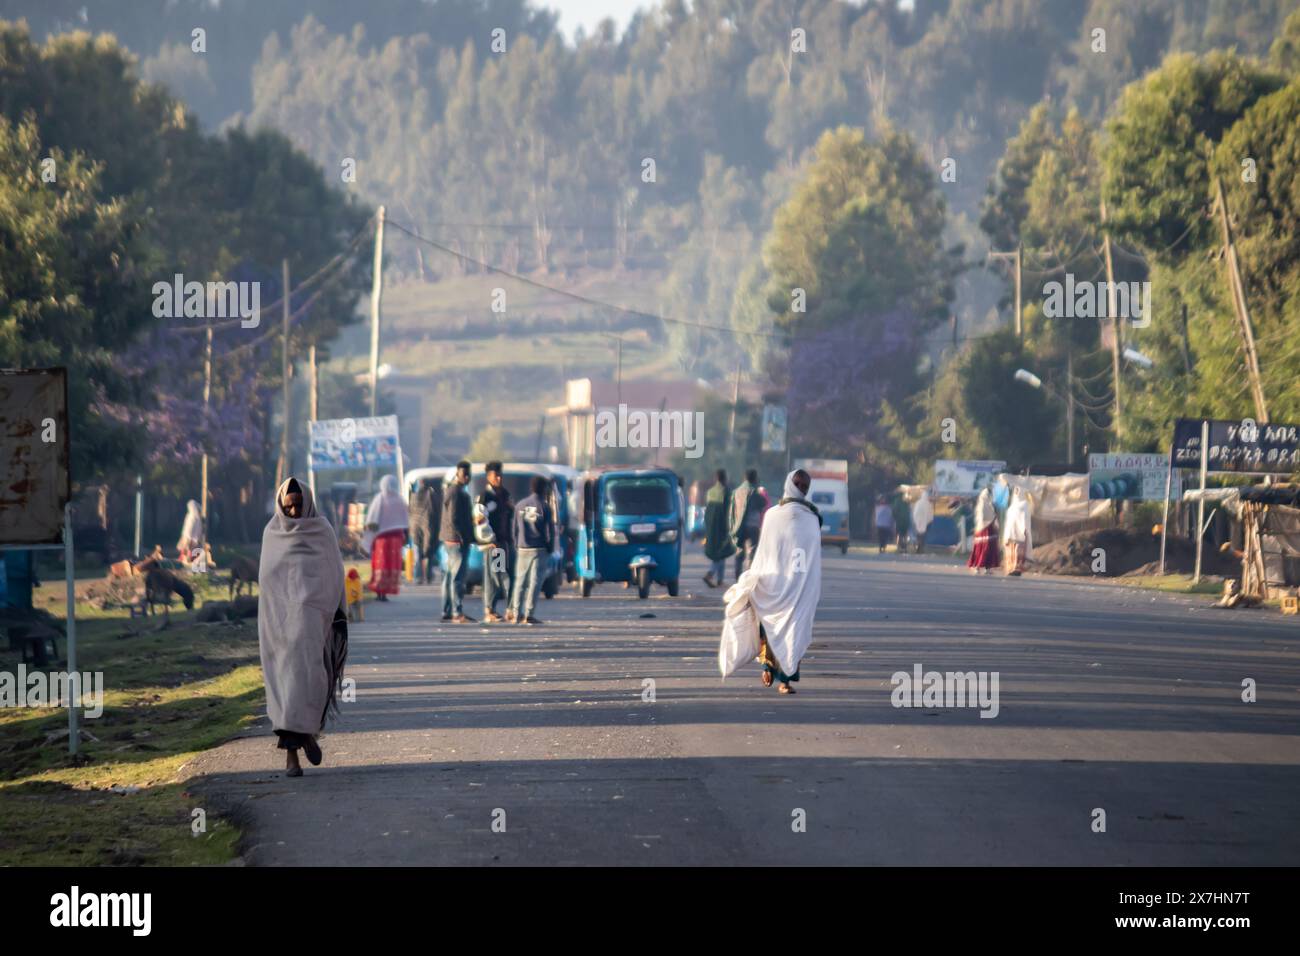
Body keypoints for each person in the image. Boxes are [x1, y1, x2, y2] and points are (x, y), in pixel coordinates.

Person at [258, 477, 348, 778]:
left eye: (298, 506)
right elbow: (268, 581)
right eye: (289, 506)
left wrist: (330, 611)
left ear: (308, 503)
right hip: (280, 625)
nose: (295, 512)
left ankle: (309, 732)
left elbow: (334, 574)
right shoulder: (272, 534)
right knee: (285, 686)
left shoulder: (322, 531)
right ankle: (291, 757)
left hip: (313, 621)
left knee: (311, 681)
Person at [722, 469, 823, 695]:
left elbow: (813, 554)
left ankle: (786, 679)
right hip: (775, 581)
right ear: (790, 482)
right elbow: (766, 550)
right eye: (798, 483)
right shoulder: (773, 515)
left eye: (805, 485)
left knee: (794, 631)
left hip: (799, 585)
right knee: (770, 626)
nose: (801, 487)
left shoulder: (812, 517)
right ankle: (768, 667)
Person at [510, 475, 555, 626]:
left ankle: (516, 613)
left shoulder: (519, 505)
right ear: (543, 489)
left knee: (519, 581)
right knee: (535, 583)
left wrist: (516, 543)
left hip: (522, 547)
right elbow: (549, 530)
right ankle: (528, 614)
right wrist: (550, 546)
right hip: (539, 549)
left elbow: (514, 528)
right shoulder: (545, 506)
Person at [477, 461, 515, 623]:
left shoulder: (505, 495)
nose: (498, 478)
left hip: (505, 542)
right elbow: (479, 521)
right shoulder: (484, 497)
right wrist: (487, 540)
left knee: (503, 574)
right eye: (495, 476)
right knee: (497, 576)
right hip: (493, 544)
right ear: (488, 477)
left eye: (500, 475)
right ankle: (493, 610)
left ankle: (506, 608)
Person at [440, 460, 476, 623]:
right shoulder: (456, 493)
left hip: (450, 539)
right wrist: (462, 537)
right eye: (464, 474)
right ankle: (456, 611)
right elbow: (454, 518)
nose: (467, 477)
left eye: (469, 474)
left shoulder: (453, 491)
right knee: (457, 578)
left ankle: (447, 610)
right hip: (456, 540)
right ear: (458, 474)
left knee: (449, 576)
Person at [364, 474, 408, 601]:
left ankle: (380, 592)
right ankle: (386, 592)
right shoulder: (400, 499)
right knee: (392, 565)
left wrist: (368, 536)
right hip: (396, 539)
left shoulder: (380, 499)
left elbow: (373, 518)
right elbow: (405, 519)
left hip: (381, 539)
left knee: (381, 564)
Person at [702, 469, 735, 588]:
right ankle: (710, 574)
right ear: (725, 478)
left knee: (720, 552)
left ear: (716, 478)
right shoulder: (727, 492)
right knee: (721, 551)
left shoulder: (710, 492)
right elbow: (728, 512)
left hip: (710, 526)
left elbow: (708, 510)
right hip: (721, 526)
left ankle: (720, 580)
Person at [729, 468, 764, 580]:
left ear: (744, 478)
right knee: (752, 552)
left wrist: (732, 526)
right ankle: (749, 578)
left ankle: (738, 578)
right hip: (753, 525)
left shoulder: (736, 492)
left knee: (739, 553)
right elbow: (762, 503)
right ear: (754, 478)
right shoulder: (754, 491)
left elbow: (732, 511)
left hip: (739, 526)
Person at [408, 477, 442, 586]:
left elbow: (410, 512)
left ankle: (418, 577)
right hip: (428, 527)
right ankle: (428, 576)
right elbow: (437, 511)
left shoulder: (413, 496)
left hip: (416, 528)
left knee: (419, 553)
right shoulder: (432, 496)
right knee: (429, 553)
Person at [967, 486, 1001, 573]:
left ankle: (988, 567)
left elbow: (993, 516)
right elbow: (981, 517)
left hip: (988, 530)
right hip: (983, 530)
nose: (989, 496)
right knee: (982, 549)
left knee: (989, 549)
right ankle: (977, 566)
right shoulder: (982, 504)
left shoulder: (989, 504)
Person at [1002, 486, 1033, 575]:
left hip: (1020, 533)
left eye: (1018, 491)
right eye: (1015, 491)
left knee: (1018, 552)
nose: (1016, 493)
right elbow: (1008, 522)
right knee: (1011, 551)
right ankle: (1010, 568)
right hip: (1011, 533)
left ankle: (1017, 569)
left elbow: (1025, 519)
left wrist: (1024, 530)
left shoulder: (1025, 504)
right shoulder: (1012, 506)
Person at [911, 489, 934, 554]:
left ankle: (919, 547)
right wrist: (930, 520)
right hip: (925, 522)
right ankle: (921, 548)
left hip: (918, 521)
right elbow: (930, 514)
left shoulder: (918, 503)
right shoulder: (928, 504)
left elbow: (915, 512)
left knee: (918, 535)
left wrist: (915, 520)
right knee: (923, 536)